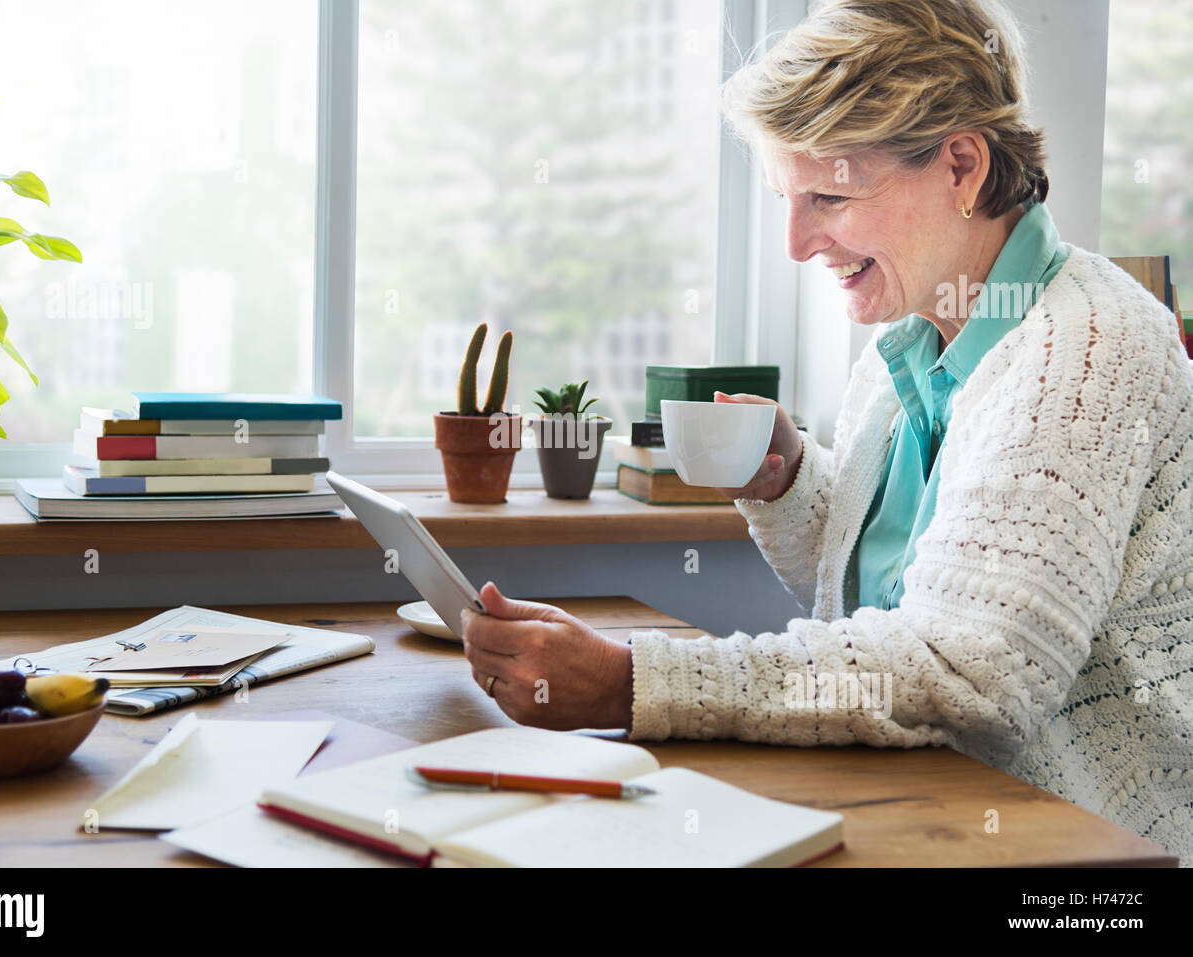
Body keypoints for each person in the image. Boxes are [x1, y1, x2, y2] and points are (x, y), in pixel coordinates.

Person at [460, 0, 1193, 863]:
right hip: (918, 808)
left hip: (1077, 858)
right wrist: (790, 478)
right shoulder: (902, 347)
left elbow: (966, 675)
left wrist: (633, 681)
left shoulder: (1088, 349)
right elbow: (890, 599)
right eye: (784, 198)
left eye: (830, 196)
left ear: (961, 165)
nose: (798, 243)